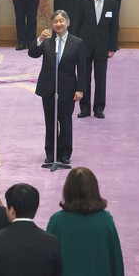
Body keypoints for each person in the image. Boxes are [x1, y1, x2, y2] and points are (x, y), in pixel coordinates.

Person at [28, 10, 85, 165]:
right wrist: (39, 38)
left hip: (67, 89)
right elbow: (32, 53)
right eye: (55, 22)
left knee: (65, 121)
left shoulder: (77, 42)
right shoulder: (47, 42)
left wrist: (80, 89)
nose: (58, 24)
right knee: (50, 122)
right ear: (52, 25)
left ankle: (65, 153)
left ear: (68, 23)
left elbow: (82, 68)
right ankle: (51, 153)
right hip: (48, 88)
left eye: (61, 21)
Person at [71, 0, 118, 119]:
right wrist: (73, 45)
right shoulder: (83, 1)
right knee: (84, 78)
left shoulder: (112, 4)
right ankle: (84, 108)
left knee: (100, 78)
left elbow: (114, 27)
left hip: (102, 47)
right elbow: (76, 25)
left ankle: (99, 108)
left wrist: (112, 47)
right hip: (84, 46)